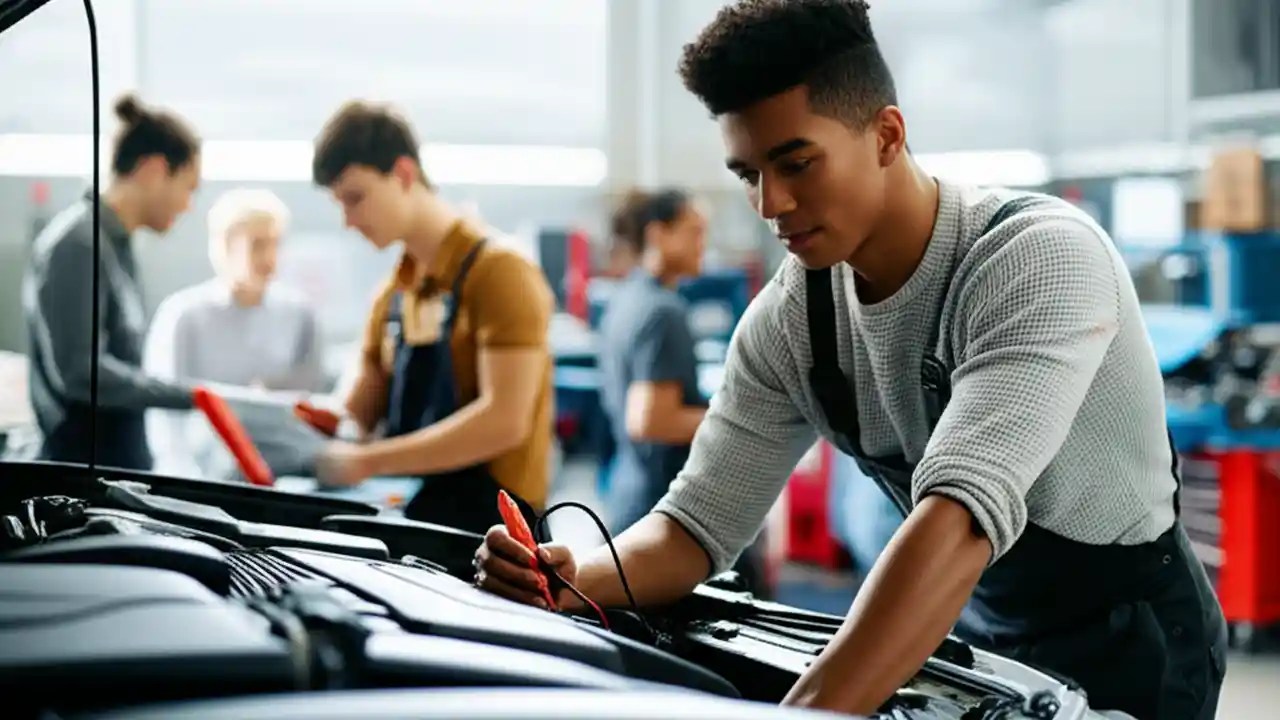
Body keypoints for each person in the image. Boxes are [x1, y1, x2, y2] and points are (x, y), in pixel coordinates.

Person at [473, 2, 1227, 718]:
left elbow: (962, 516)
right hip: (975, 621)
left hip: (1134, 641)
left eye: (796, 163)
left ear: (888, 135)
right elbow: (693, 526)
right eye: (748, 175)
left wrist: (808, 711)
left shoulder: (1038, 260)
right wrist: (574, 575)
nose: (769, 204)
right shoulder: (791, 322)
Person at [307, 100, 555, 533]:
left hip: (496, 539)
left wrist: (367, 462)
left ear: (403, 174)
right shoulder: (392, 295)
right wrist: (302, 423)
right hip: (419, 523)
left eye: (355, 198)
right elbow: (356, 408)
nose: (348, 221)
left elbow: (504, 421)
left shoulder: (500, 272)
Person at [23, 94, 202, 470]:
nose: (188, 205)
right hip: (80, 477)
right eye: (188, 187)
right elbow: (80, 374)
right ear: (154, 169)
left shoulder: (115, 246)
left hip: (116, 469)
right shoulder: (78, 245)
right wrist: (189, 396)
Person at [143, 188, 326, 476]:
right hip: (202, 475)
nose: (269, 258)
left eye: (276, 244)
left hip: (286, 477)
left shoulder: (300, 313)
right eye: (257, 245)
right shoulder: (183, 315)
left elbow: (311, 401)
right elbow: (166, 419)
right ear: (225, 245)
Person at [597, 189, 708, 533]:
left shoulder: (626, 298)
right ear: (658, 235)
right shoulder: (663, 312)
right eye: (694, 232)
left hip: (628, 490)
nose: (702, 245)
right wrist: (737, 421)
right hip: (658, 503)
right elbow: (651, 421)